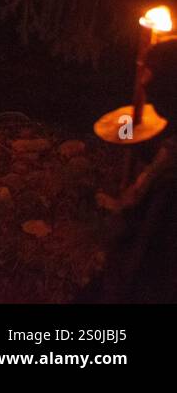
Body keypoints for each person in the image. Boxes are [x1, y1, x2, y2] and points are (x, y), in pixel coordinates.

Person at [82, 37, 177, 303]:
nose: (144, 82)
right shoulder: (169, 149)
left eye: (154, 73)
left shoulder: (170, 183)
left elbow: (148, 257)